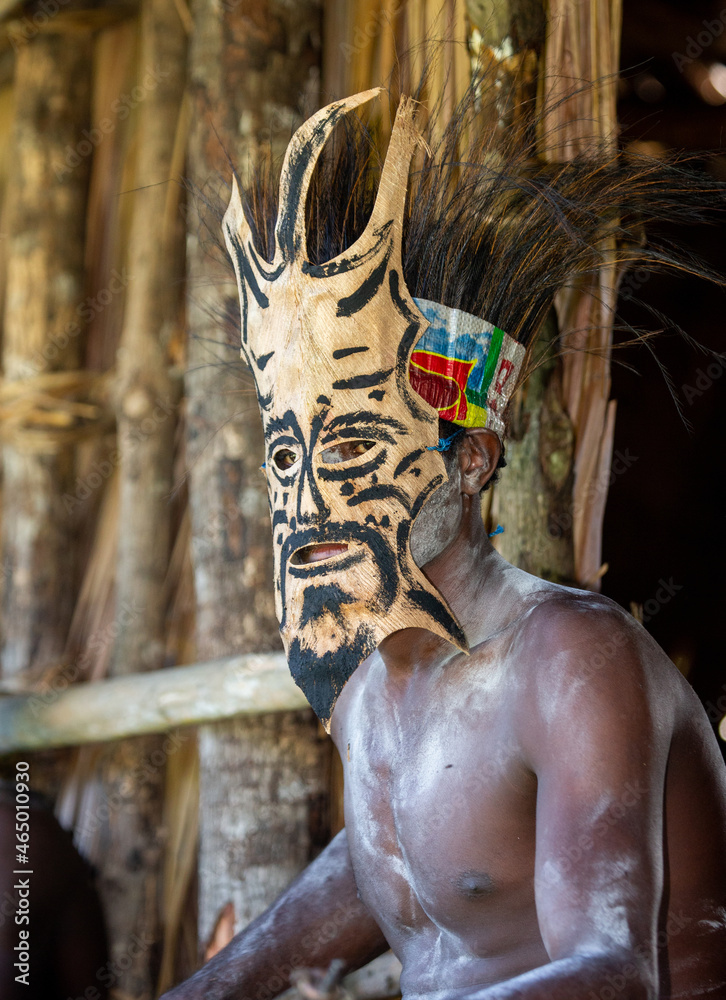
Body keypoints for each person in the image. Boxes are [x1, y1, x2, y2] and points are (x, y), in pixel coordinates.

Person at [163, 87, 726, 999]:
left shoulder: (570, 658)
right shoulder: (365, 681)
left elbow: (616, 975)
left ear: (469, 463)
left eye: (352, 445)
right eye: (286, 452)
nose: (310, 495)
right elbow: (407, 852)